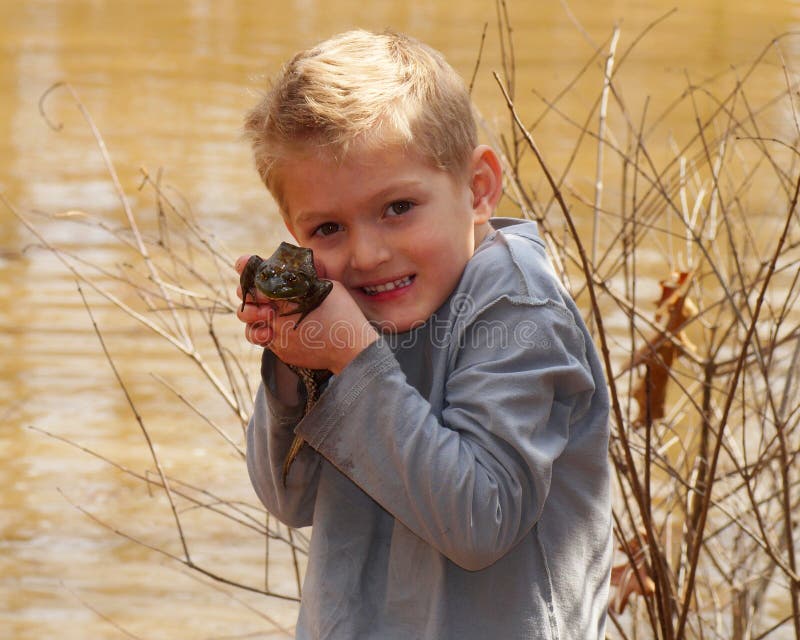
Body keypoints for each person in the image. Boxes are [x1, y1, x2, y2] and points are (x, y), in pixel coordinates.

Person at [235, 29, 612, 640]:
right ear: (293, 231)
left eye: (398, 207)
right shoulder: (348, 314)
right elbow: (290, 500)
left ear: (478, 188)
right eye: (328, 227)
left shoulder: (518, 310)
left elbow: (480, 522)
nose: (367, 253)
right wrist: (294, 360)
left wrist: (352, 359)